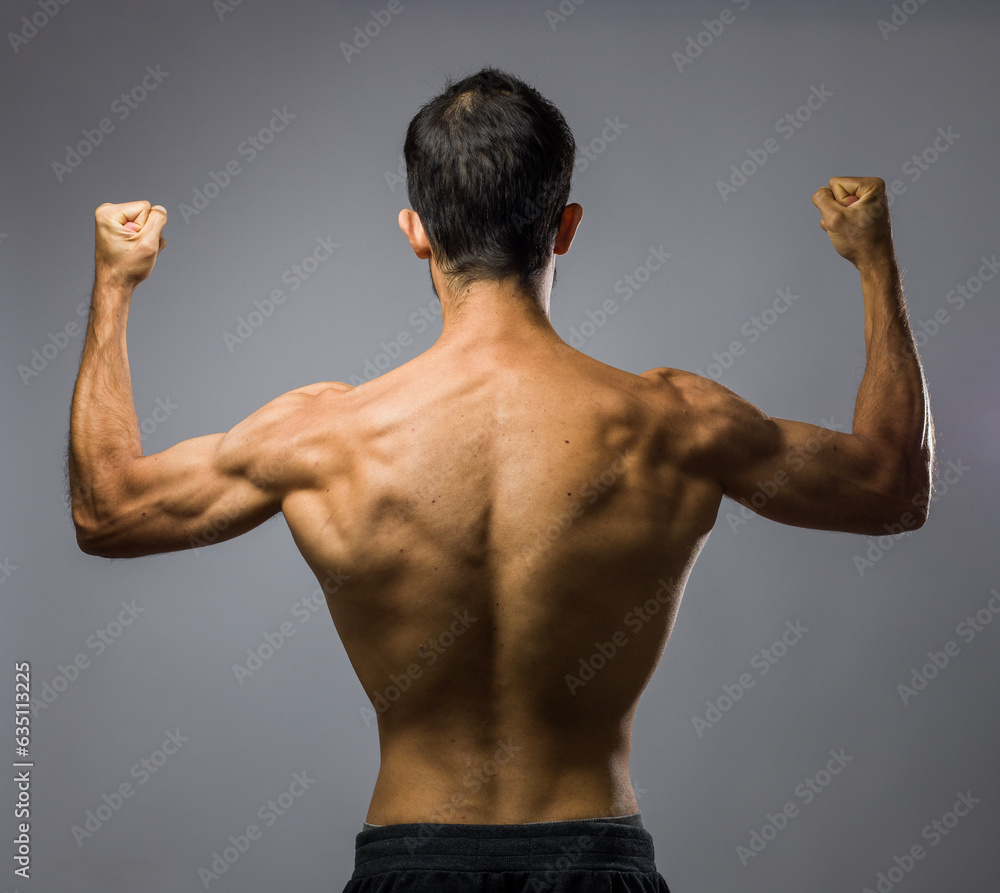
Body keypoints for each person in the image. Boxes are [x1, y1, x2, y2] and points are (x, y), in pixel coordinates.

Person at [68, 67, 933, 892]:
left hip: (410, 865)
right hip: (597, 860)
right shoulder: (677, 423)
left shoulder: (323, 435)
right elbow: (892, 488)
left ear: (417, 230)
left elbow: (105, 511)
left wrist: (115, 284)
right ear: (564, 227)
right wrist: (876, 261)